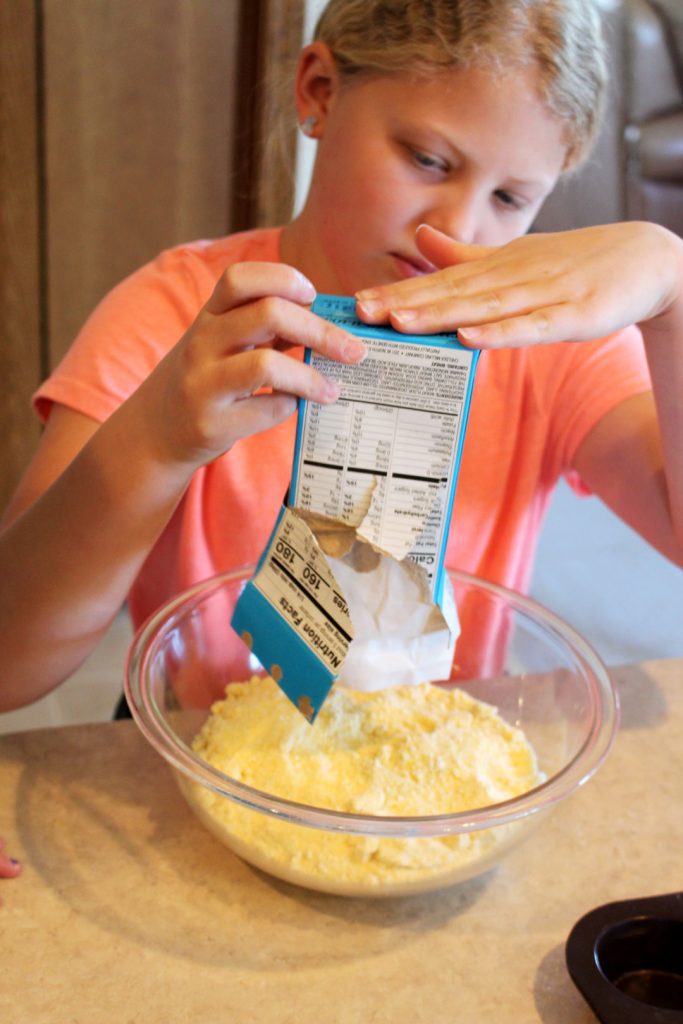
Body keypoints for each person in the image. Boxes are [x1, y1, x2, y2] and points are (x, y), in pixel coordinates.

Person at [0, 3, 681, 720]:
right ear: (319, 92)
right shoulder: (171, 319)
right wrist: (153, 442)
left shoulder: (547, 346)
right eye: (426, 159)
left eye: (510, 198)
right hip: (196, 753)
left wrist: (672, 297)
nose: (456, 227)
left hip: (418, 766)